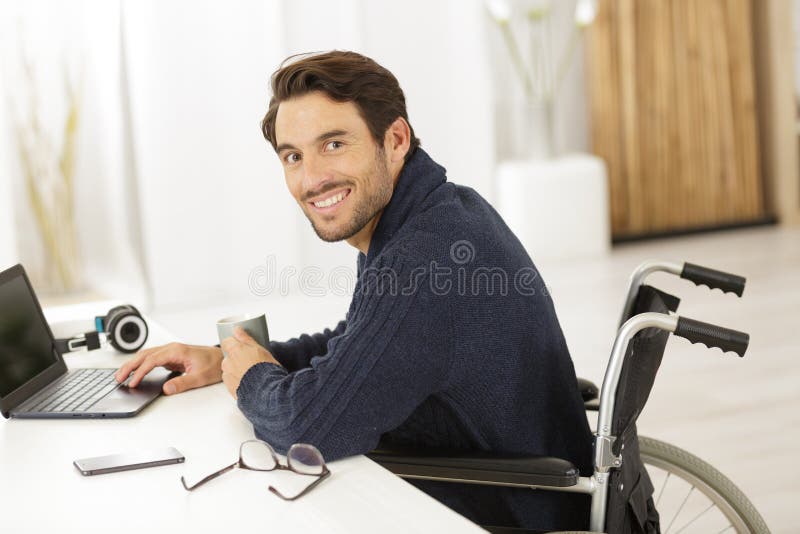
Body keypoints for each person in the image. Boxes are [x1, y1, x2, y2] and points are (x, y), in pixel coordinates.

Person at [115, 50, 593, 531]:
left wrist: (253, 380)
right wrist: (227, 358)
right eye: (293, 156)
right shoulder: (437, 213)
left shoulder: (425, 259)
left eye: (334, 144)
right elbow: (358, 343)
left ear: (395, 140)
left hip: (508, 512)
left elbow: (307, 427)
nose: (312, 178)